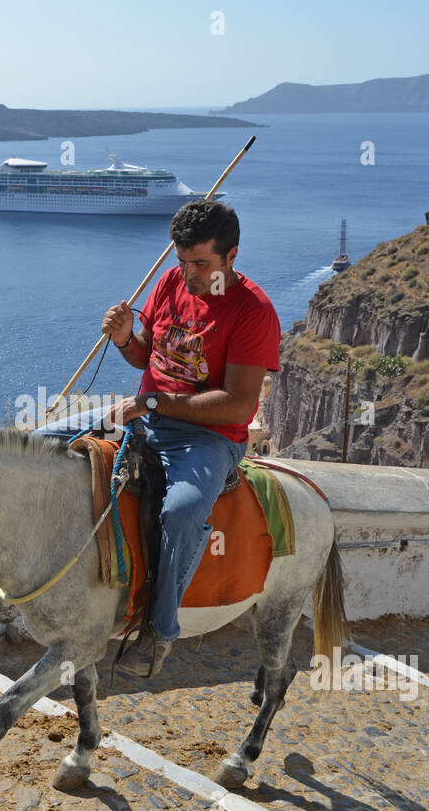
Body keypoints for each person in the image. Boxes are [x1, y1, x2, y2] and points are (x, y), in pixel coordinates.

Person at [41, 198, 281, 676]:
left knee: (183, 510)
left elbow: (238, 404)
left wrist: (154, 404)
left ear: (231, 258)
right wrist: (127, 338)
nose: (188, 274)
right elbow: (147, 358)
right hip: (144, 413)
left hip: (206, 436)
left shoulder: (254, 312)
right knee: (37, 443)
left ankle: (161, 629)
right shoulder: (173, 281)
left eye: (201, 264)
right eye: (181, 261)